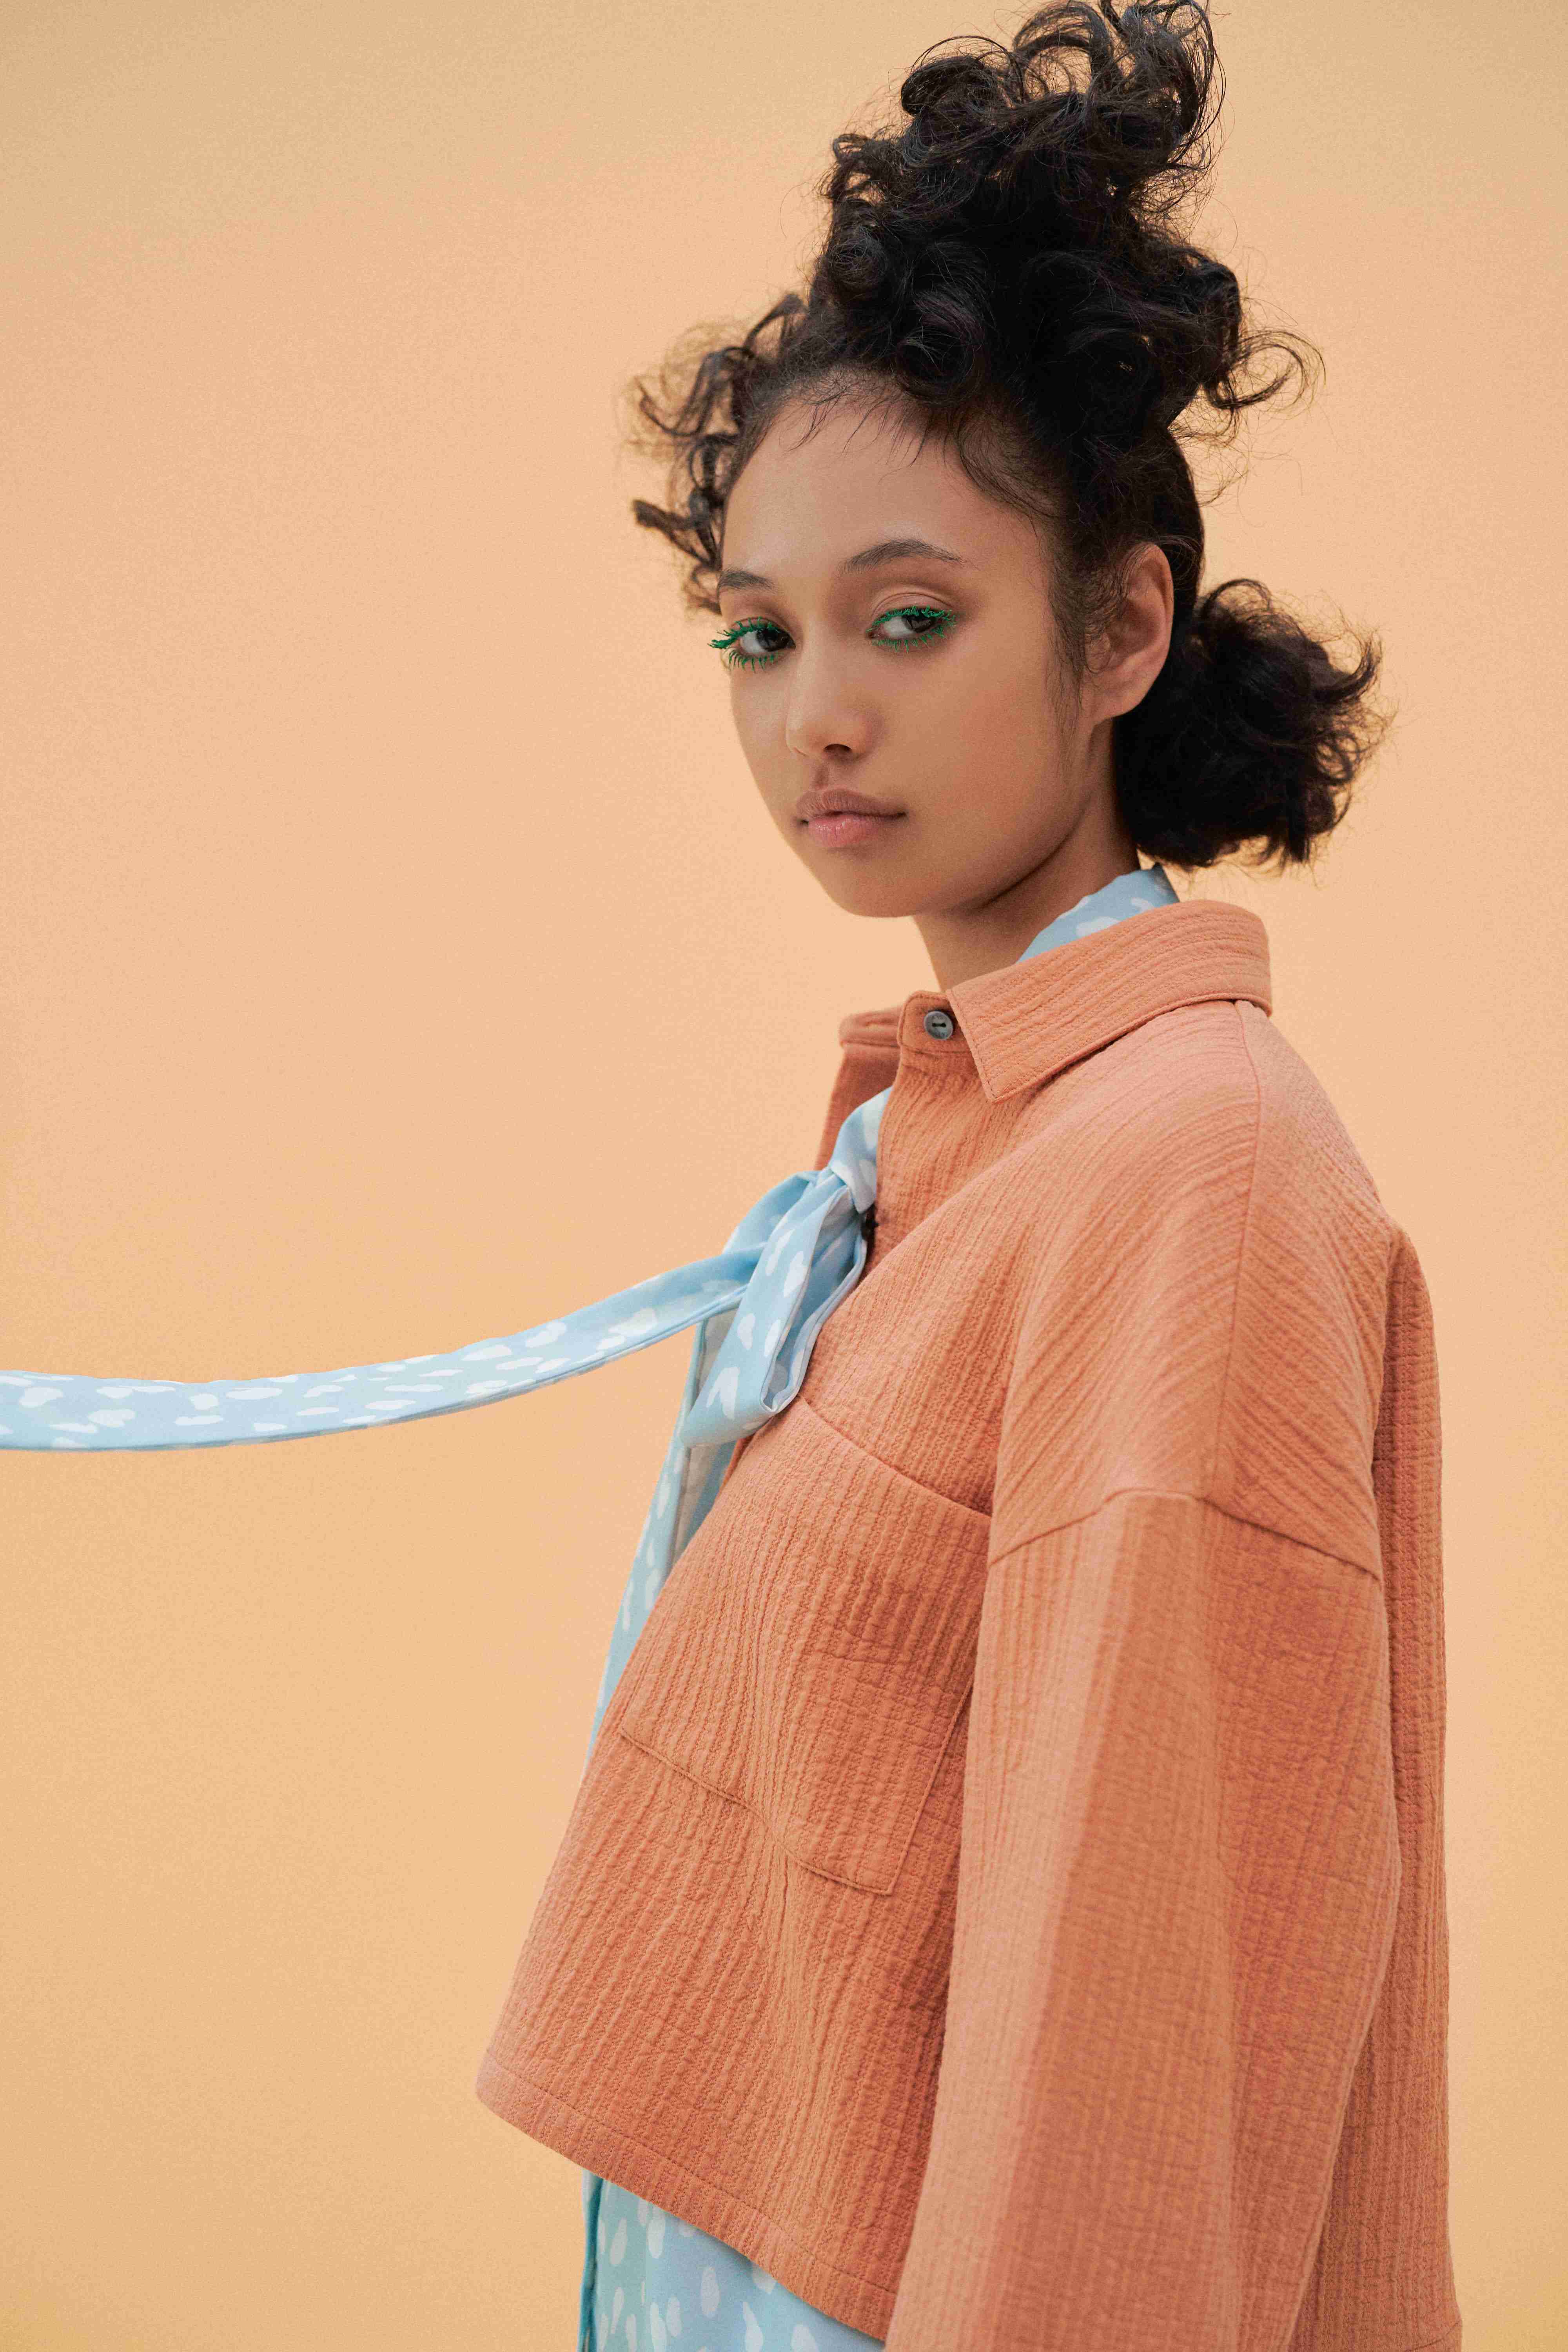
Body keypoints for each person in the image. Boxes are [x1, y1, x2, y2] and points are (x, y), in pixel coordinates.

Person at [473, 6, 1459, 2351]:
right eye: (758, 633)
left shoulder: (1188, 1170)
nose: (815, 711)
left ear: (1120, 627)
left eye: (907, 617)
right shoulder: (972, 1153)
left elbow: (1148, 2009)